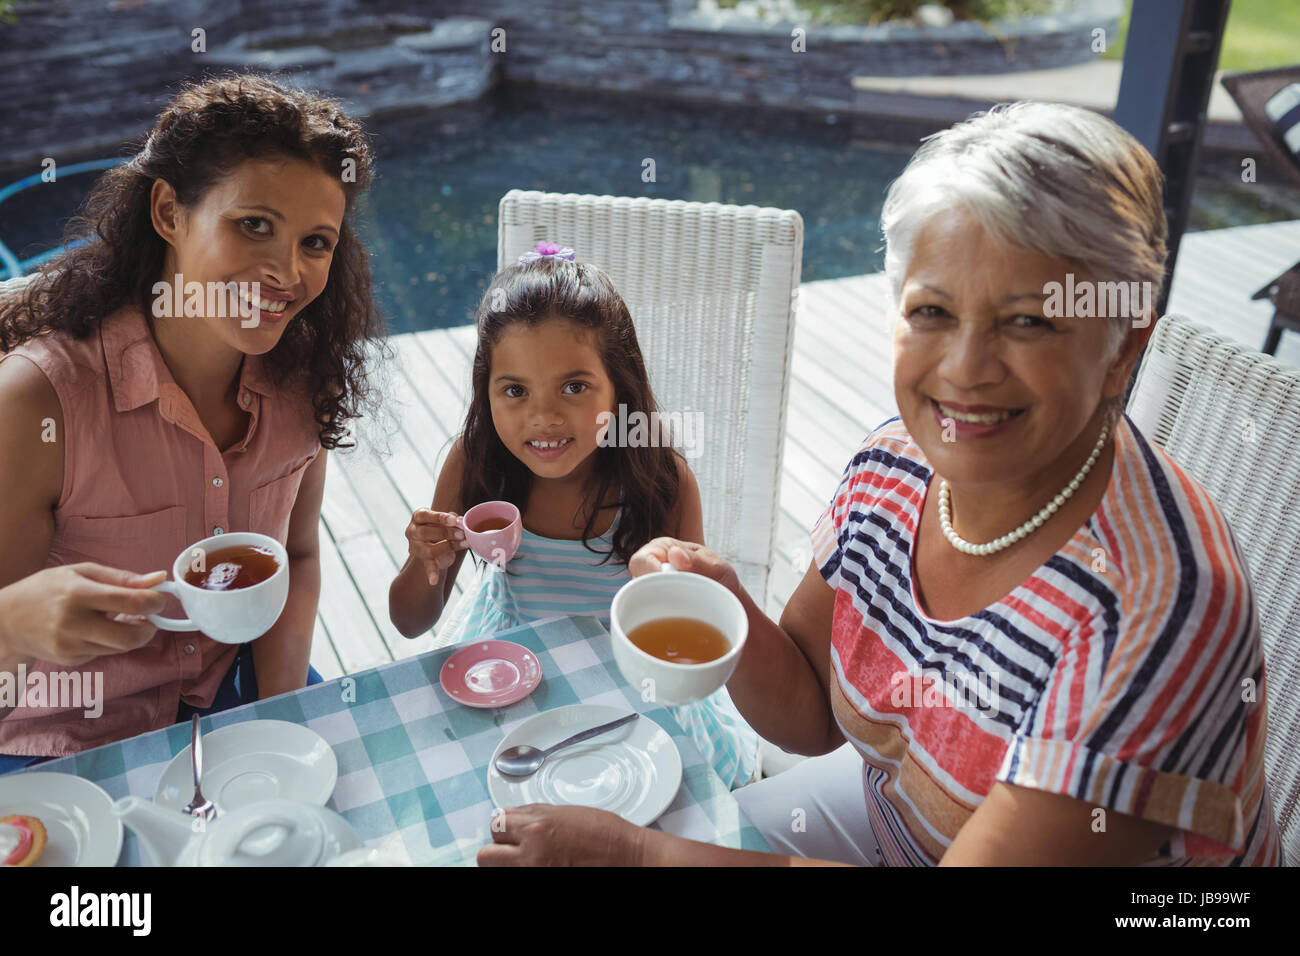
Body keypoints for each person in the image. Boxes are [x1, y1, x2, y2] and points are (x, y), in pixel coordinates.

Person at [477, 102, 1281, 866]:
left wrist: (637, 855)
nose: (965, 370)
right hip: (895, 817)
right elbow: (811, 716)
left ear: (1122, 345)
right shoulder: (893, 466)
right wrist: (726, 599)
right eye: (933, 312)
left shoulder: (1155, 611)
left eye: (1029, 320)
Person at [0, 74, 384, 772]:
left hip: (236, 693)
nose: (286, 272)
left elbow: (296, 556)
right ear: (169, 212)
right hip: (56, 738)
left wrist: (278, 712)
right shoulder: (36, 402)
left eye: (316, 242)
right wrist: (9, 629)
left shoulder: (306, 379)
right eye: (255, 225)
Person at [388, 244, 761, 788]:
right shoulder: (476, 464)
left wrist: (677, 587)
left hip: (635, 679)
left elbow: (698, 626)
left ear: (619, 386)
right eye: (515, 390)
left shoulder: (661, 481)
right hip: (513, 665)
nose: (543, 417)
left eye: (574, 387)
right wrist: (431, 562)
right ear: (486, 393)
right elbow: (409, 621)